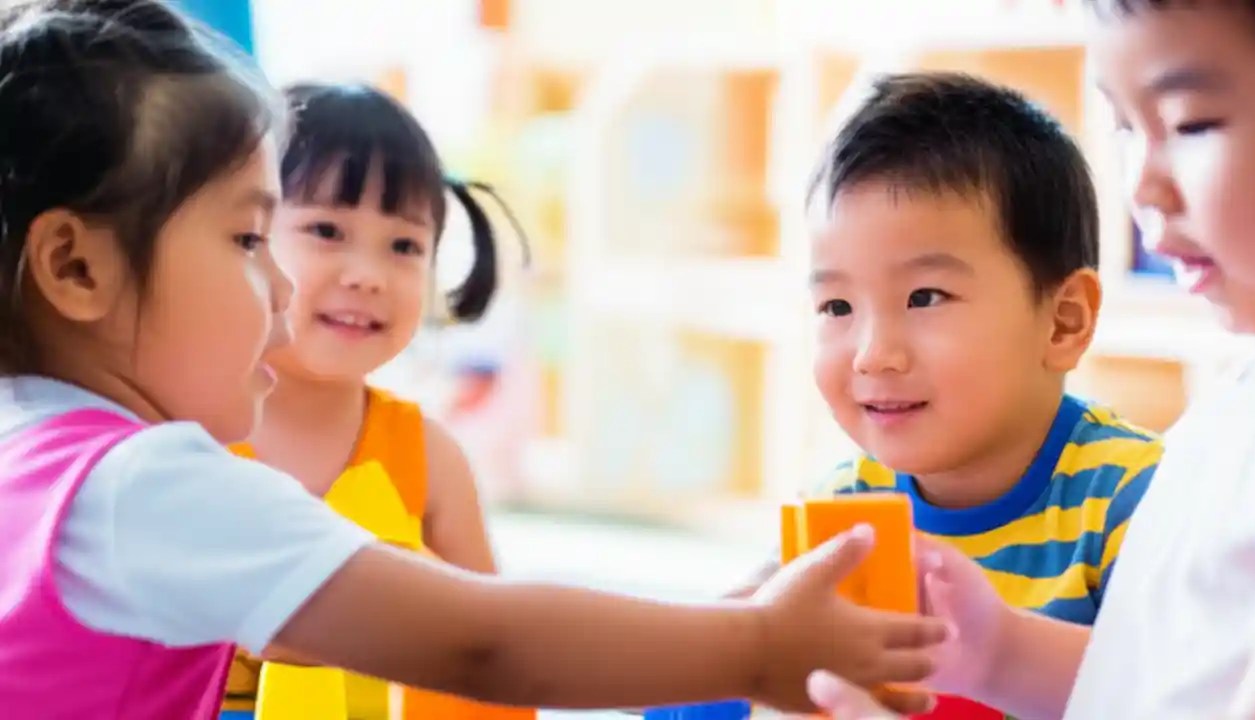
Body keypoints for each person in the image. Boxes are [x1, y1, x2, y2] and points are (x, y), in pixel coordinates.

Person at [0, 2, 951, 718]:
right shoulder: (148, 486)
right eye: (252, 241)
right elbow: (485, 641)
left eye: (405, 244)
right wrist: (756, 647)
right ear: (77, 267)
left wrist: (712, 627)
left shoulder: (35, 456)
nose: (285, 291)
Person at [809, 1, 1255, 718]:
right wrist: (998, 654)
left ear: (1063, 320)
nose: (1141, 187)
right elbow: (1141, 682)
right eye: (1125, 128)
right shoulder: (1234, 413)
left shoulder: (1141, 486)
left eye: (1190, 123)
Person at [735, 71, 1161, 716]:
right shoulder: (845, 510)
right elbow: (737, 669)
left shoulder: (1137, 504)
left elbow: (1191, 693)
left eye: (925, 297)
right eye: (837, 305)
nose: (874, 352)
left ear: (1063, 320)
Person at [219, 81, 533, 719]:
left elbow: (492, 659)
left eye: (404, 247)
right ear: (241, 237)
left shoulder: (429, 461)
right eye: (327, 230)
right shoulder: (183, 436)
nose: (367, 274)